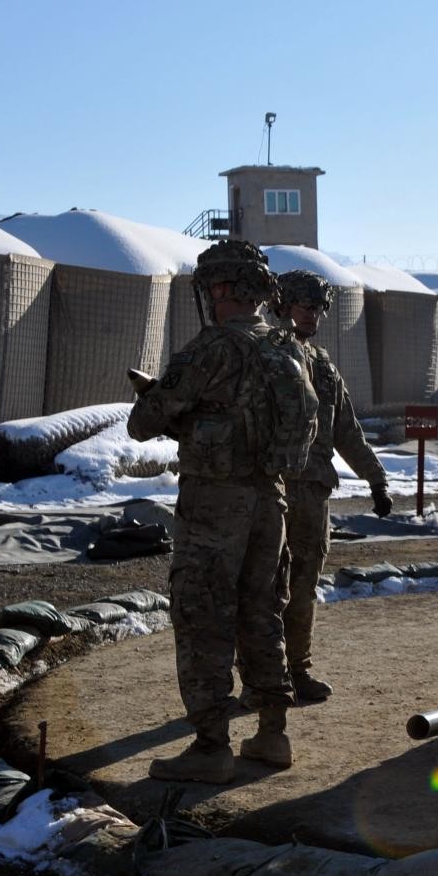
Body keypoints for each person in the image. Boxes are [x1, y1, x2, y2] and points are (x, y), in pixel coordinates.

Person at [128, 240, 318, 783]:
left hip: (215, 504)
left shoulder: (212, 348)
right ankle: (272, 733)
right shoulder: (288, 348)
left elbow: (144, 423)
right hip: (271, 500)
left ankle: (211, 744)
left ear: (221, 289)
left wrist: (163, 402)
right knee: (262, 611)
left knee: (201, 615)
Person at [267, 269, 393, 704]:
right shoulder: (262, 355)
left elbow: (347, 432)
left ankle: (296, 670)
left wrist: (376, 480)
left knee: (302, 587)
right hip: (269, 491)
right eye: (306, 307)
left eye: (319, 309)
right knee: (263, 587)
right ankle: (261, 677)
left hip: (312, 496)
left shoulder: (321, 365)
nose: (314, 317)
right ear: (282, 306)